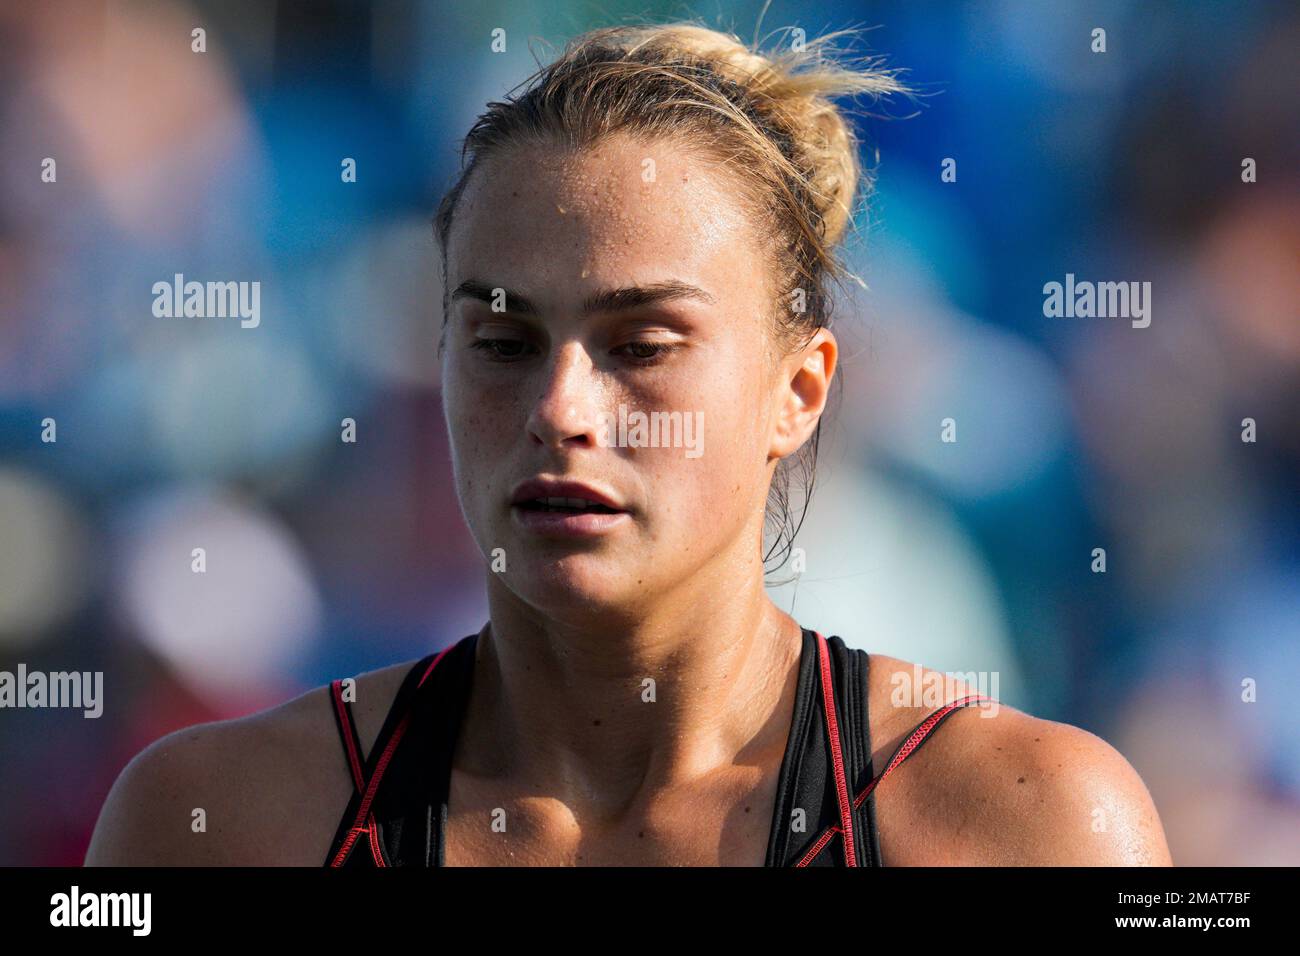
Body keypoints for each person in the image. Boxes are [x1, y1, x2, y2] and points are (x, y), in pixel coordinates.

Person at [86, 21, 1172, 866]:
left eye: (641, 342)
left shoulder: (1028, 823)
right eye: (503, 340)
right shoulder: (213, 821)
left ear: (797, 392)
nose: (562, 407)